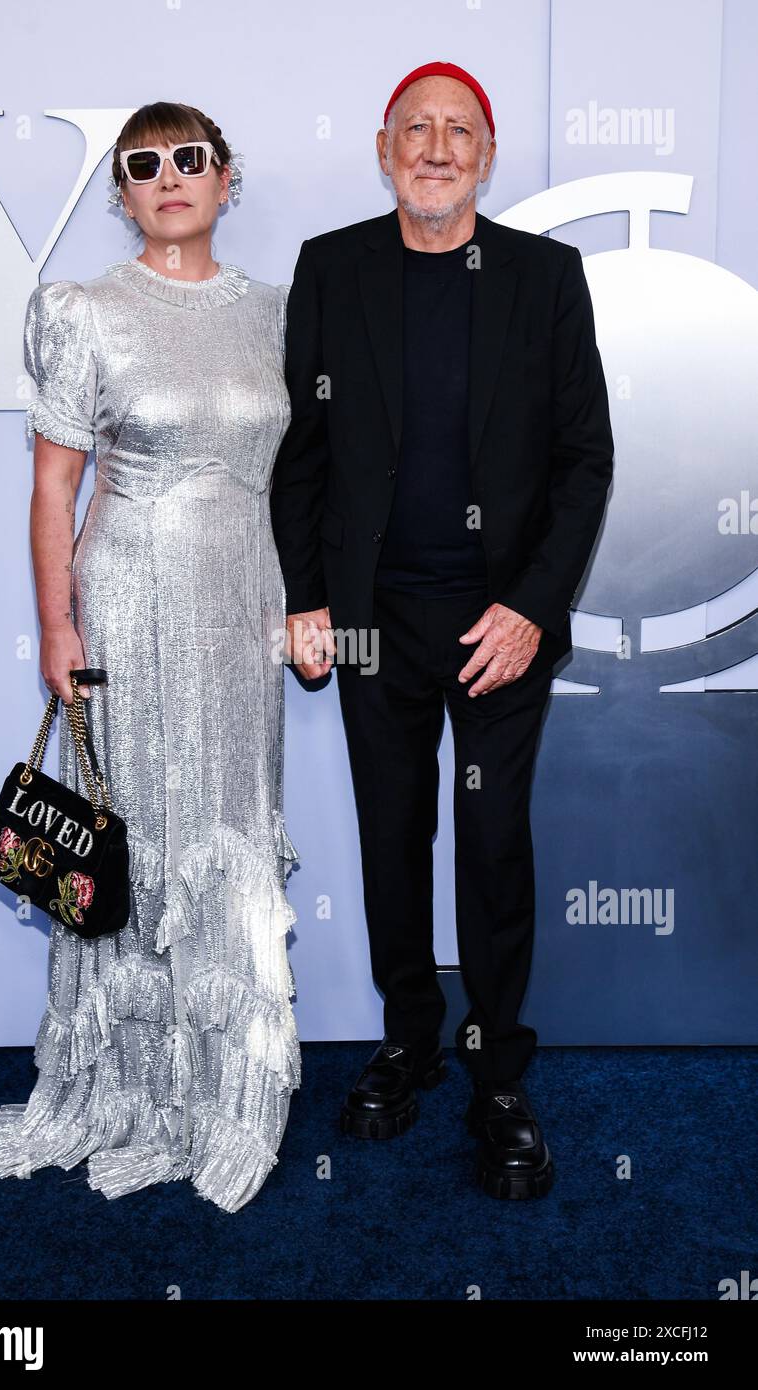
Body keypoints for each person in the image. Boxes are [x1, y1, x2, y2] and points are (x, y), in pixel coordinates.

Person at [270, 62, 614, 1199]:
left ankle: (497, 1070)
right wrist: (308, 596)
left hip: (496, 622)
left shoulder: (544, 277)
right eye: (413, 129)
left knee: (492, 843)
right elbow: (303, 459)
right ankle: (410, 1037)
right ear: (381, 150)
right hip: (373, 621)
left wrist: (529, 606)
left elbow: (582, 458)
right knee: (390, 836)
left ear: (485, 152)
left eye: (454, 130)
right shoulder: (330, 268)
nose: (433, 146)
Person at [0, 101, 301, 1213]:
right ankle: (133, 1089)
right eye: (140, 165)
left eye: (187, 158)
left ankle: (222, 1098)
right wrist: (58, 625)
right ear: (122, 193)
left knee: (225, 826)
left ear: (226, 178)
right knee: (136, 829)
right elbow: (55, 487)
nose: (166, 177)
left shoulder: (278, 314)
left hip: (242, 597)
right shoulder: (84, 311)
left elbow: (302, 474)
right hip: (130, 596)